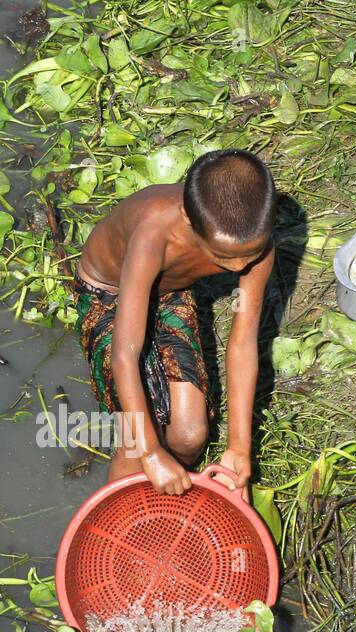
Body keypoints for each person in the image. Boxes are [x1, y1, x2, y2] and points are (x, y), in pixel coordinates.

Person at [74, 148, 275, 498]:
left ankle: (169, 496)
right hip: (109, 292)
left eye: (250, 255)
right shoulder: (154, 232)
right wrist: (151, 452)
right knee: (134, 446)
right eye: (225, 257)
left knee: (189, 435)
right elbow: (126, 353)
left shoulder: (256, 246)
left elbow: (242, 345)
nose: (241, 266)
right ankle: (124, 512)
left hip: (170, 290)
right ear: (187, 217)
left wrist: (239, 448)